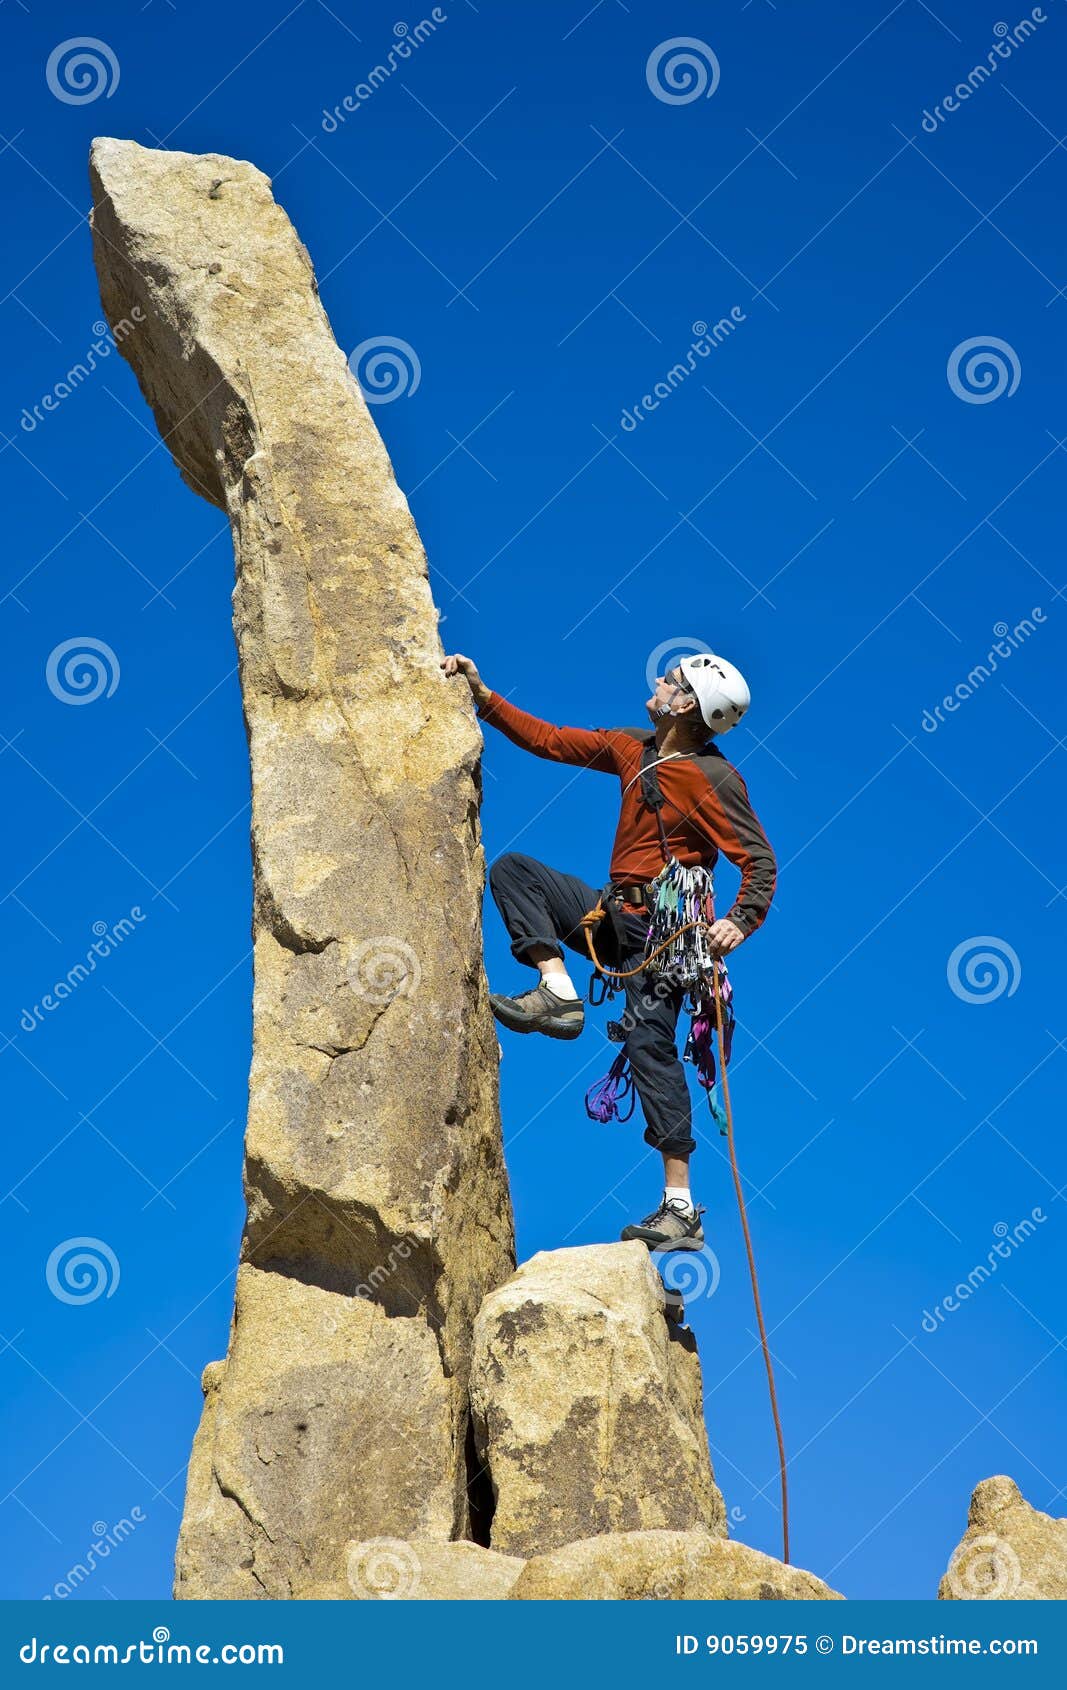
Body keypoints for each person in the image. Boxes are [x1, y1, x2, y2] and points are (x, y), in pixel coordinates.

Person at [440, 649, 777, 1252]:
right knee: (517, 873)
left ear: (688, 705)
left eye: (670, 680)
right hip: (614, 912)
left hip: (666, 934)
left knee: (651, 1044)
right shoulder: (634, 747)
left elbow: (759, 860)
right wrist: (483, 696)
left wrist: (739, 921)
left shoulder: (713, 777)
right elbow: (551, 740)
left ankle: (680, 1208)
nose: (657, 682)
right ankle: (558, 992)